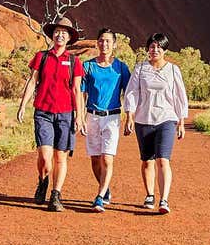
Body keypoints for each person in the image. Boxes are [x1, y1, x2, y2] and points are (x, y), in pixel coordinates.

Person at [15, 16, 83, 211]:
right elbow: (32, 81)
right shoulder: (42, 57)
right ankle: (42, 180)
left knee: (60, 156)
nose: (60, 35)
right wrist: (23, 105)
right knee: (45, 156)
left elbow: (77, 90)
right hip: (43, 111)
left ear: (69, 37)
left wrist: (79, 116)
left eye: (64, 32)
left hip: (65, 113)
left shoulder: (74, 61)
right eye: (57, 32)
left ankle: (56, 195)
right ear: (52, 35)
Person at [124, 32, 189, 213]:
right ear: (148, 49)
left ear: (165, 50)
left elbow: (179, 96)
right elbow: (132, 92)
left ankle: (164, 200)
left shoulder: (173, 70)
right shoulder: (140, 69)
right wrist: (129, 115)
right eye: (152, 47)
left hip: (166, 119)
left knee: (163, 159)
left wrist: (181, 121)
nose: (155, 50)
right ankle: (150, 194)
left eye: (159, 47)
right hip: (143, 119)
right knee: (147, 160)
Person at [79, 28, 132, 210]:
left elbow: (129, 93)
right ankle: (105, 187)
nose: (104, 44)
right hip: (92, 116)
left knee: (107, 158)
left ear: (114, 44)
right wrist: (80, 117)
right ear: (97, 43)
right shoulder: (88, 66)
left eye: (108, 41)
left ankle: (100, 197)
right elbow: (81, 93)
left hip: (112, 117)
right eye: (101, 40)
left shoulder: (121, 68)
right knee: (95, 159)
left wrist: (129, 117)